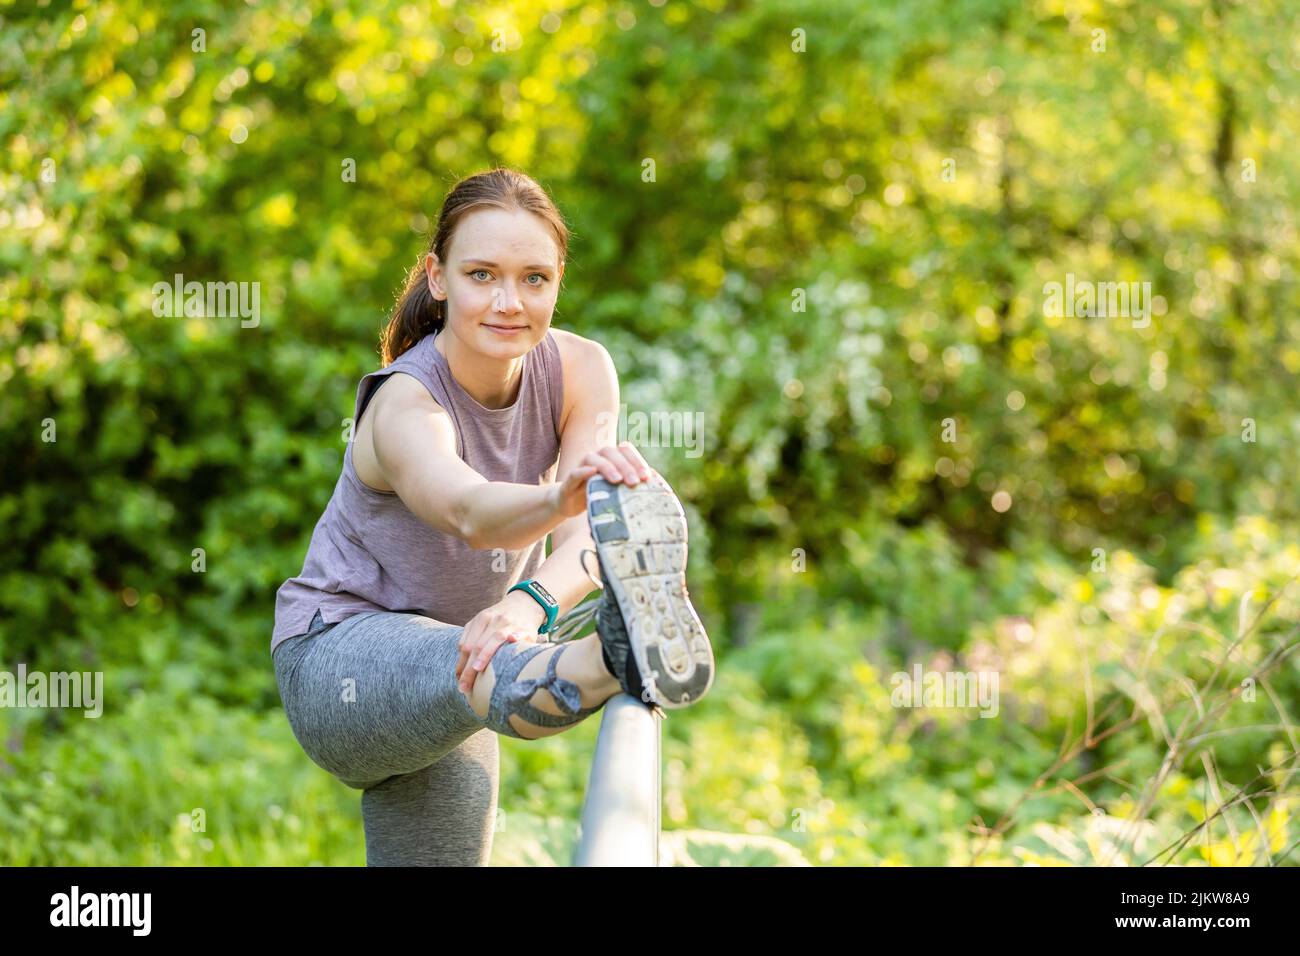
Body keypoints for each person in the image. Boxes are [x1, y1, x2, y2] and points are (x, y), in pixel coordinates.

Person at [270, 167, 714, 866]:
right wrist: (558, 498)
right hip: (338, 659)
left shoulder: (580, 371)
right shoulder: (404, 405)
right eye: (482, 275)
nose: (510, 302)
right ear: (437, 277)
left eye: (535, 278)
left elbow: (588, 547)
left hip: (466, 651)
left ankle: (611, 644)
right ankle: (613, 656)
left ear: (559, 280)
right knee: (493, 670)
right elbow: (469, 509)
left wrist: (528, 600)